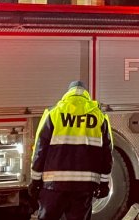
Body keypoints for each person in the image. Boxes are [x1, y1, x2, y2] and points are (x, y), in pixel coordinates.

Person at [29, 80, 113, 220]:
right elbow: (107, 154)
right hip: (84, 187)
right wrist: (104, 184)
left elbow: (40, 149)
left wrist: (35, 181)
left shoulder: (53, 113)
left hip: (53, 186)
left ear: (68, 93)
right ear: (86, 94)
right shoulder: (99, 117)